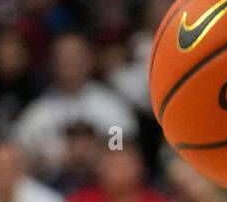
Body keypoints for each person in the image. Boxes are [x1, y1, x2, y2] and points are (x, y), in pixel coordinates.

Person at [11, 30, 137, 180]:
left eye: (76, 56)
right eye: (63, 57)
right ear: (52, 63)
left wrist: (97, 153)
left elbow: (120, 147)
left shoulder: (110, 108)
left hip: (102, 185)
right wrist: (52, 158)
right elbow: (20, 157)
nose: (69, 62)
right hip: (51, 185)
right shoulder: (37, 114)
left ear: (90, 60)